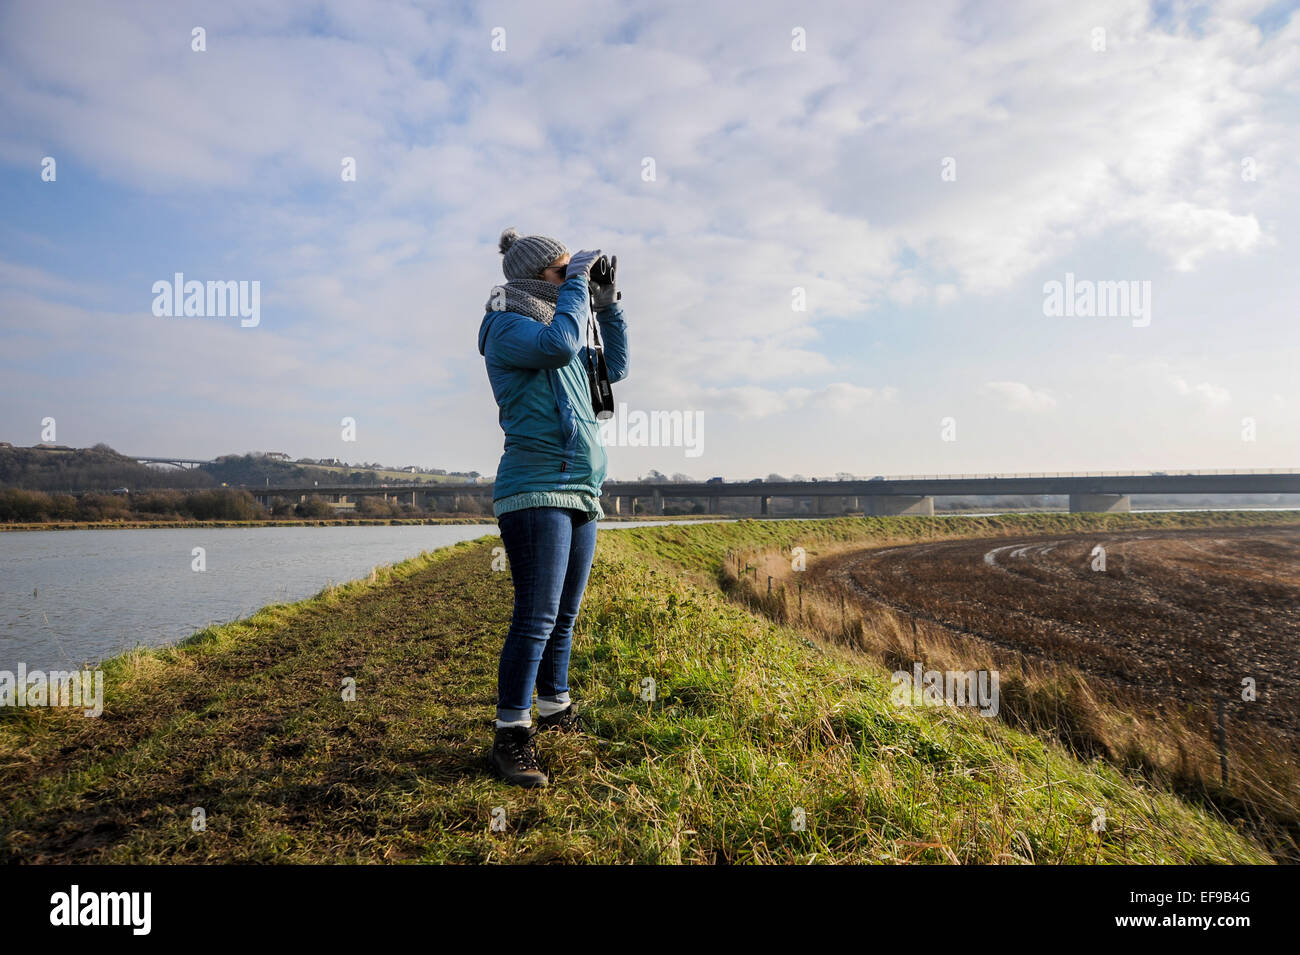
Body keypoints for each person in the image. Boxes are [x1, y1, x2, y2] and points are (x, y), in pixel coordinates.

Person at [476, 227, 629, 787]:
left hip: (580, 488)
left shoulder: (558, 324)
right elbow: (560, 347)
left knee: (565, 614)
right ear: (533, 278)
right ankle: (510, 736)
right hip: (536, 487)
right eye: (564, 272)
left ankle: (554, 709)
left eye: (575, 273)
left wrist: (607, 306)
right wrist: (576, 293)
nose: (574, 282)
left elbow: (613, 370)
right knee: (536, 616)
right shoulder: (508, 327)